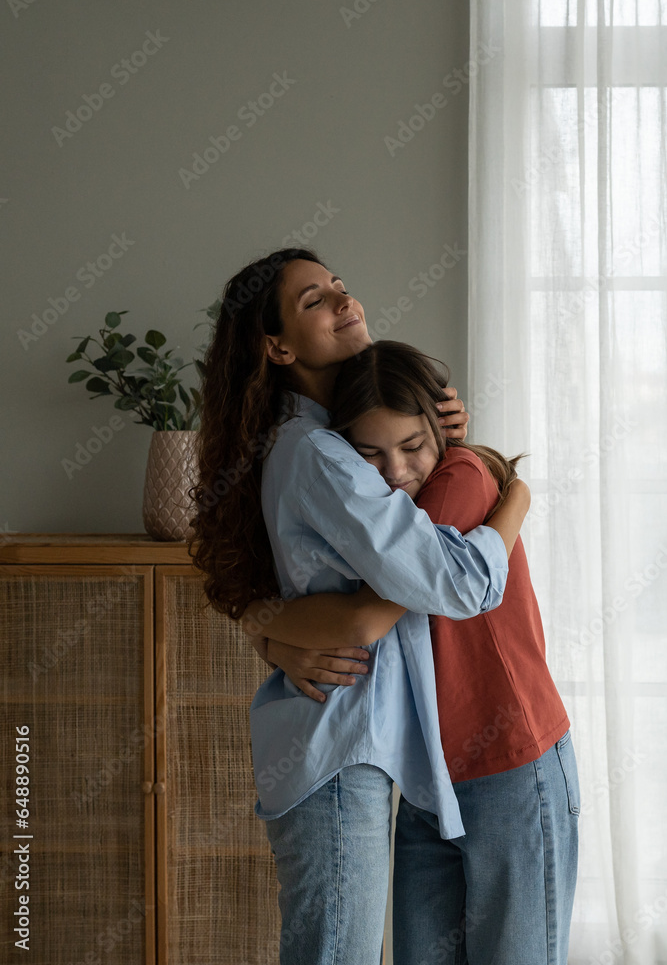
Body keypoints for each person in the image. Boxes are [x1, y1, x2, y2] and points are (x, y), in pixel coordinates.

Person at [189, 247, 530, 965]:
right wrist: (516, 494)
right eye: (314, 300)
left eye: (340, 287)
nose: (346, 302)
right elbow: (458, 583)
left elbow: (337, 590)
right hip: (339, 743)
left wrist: (444, 435)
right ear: (278, 347)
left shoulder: (336, 438)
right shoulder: (320, 454)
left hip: (339, 739)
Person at [245, 340, 579, 965]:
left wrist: (517, 494)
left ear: (439, 427)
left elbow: (369, 615)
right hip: (430, 777)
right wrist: (264, 632)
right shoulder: (372, 504)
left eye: (412, 445)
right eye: (370, 453)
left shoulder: (456, 479)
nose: (394, 470)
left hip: (511, 763)